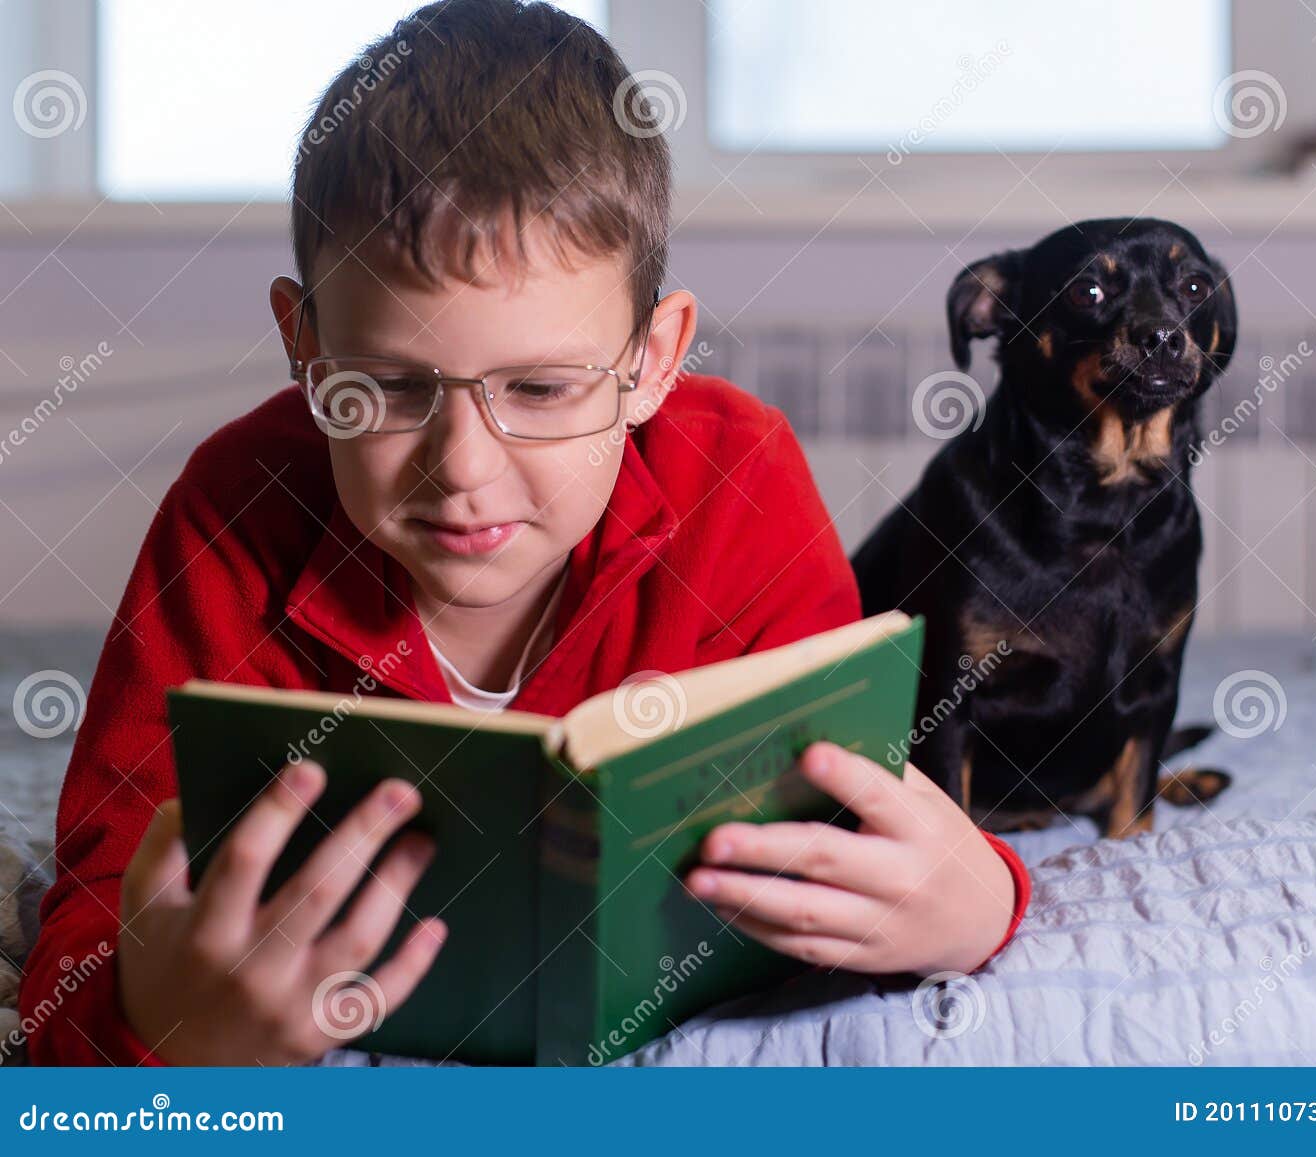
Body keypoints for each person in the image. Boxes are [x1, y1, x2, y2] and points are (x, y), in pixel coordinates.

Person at [21, 0, 1028, 1066]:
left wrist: (979, 901)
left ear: (651, 361)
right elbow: (95, 915)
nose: (462, 467)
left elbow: (850, 813)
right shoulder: (232, 502)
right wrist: (166, 1032)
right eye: (392, 388)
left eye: (542, 387)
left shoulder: (736, 473)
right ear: (305, 346)